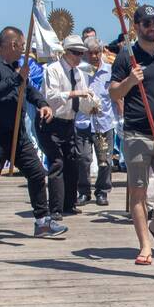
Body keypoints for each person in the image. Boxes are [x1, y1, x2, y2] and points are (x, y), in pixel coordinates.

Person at [0, 26, 67, 242]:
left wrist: (42, 103)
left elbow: (28, 89)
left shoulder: (12, 66)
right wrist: (16, 79)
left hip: (17, 134)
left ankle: (42, 221)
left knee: (36, 172)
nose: (24, 51)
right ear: (13, 45)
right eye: (22, 46)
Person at [110, 4, 154, 264]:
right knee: (138, 190)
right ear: (136, 27)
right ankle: (145, 244)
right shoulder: (126, 57)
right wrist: (130, 82)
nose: (152, 27)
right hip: (136, 133)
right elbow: (114, 93)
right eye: (146, 23)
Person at [40, 35, 92, 219]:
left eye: (81, 53)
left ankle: (69, 203)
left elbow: (84, 98)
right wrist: (75, 93)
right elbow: (51, 97)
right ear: (67, 53)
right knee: (57, 164)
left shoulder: (78, 73)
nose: (79, 57)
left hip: (70, 122)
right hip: (52, 122)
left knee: (72, 163)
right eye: (76, 53)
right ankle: (55, 209)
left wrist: (92, 106)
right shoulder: (52, 70)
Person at [75, 36, 116, 206]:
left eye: (97, 52)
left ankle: (102, 191)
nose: (94, 56)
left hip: (104, 121)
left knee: (104, 160)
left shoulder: (110, 71)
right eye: (90, 53)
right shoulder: (79, 71)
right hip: (83, 122)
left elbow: (115, 94)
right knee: (83, 158)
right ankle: (83, 191)